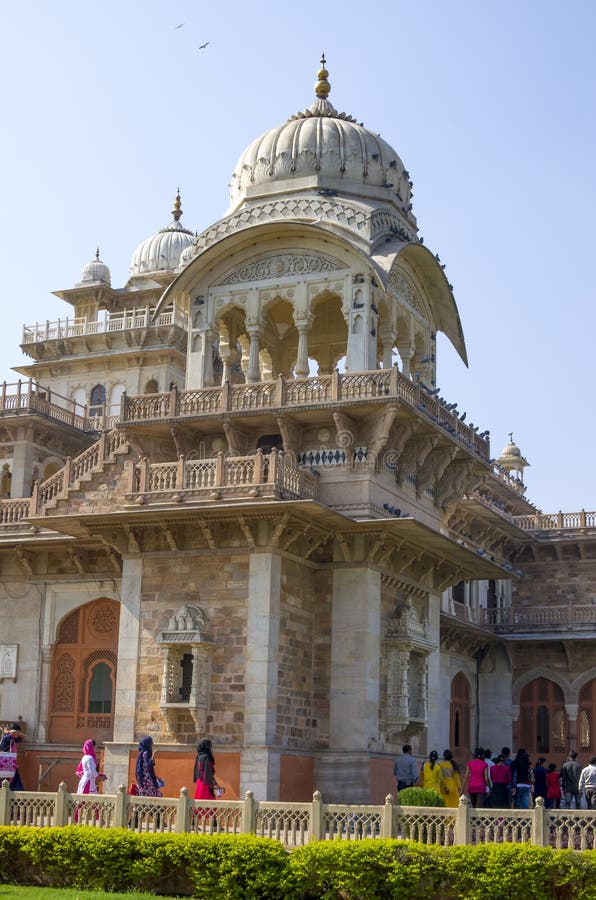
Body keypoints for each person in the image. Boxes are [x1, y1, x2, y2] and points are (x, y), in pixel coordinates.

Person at [0, 722, 24, 790]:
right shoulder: (6, 738)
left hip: (11, 765)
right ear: (13, 732)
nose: (18, 734)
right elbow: (9, 737)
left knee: (15, 784)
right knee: (7, 783)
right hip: (5, 764)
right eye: (17, 732)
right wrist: (8, 732)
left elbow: (23, 737)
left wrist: (15, 733)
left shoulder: (13, 739)